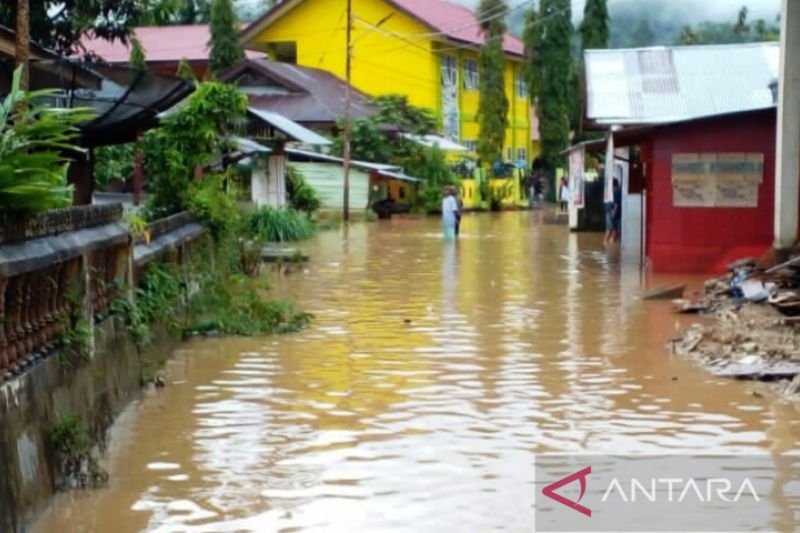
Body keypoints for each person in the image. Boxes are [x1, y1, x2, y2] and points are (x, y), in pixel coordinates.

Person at [605, 178, 622, 244]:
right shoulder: (619, 190)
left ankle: (607, 243)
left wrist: (613, 213)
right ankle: (610, 244)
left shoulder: (615, 191)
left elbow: (616, 204)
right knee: (614, 229)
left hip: (613, 212)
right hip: (617, 213)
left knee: (611, 229)